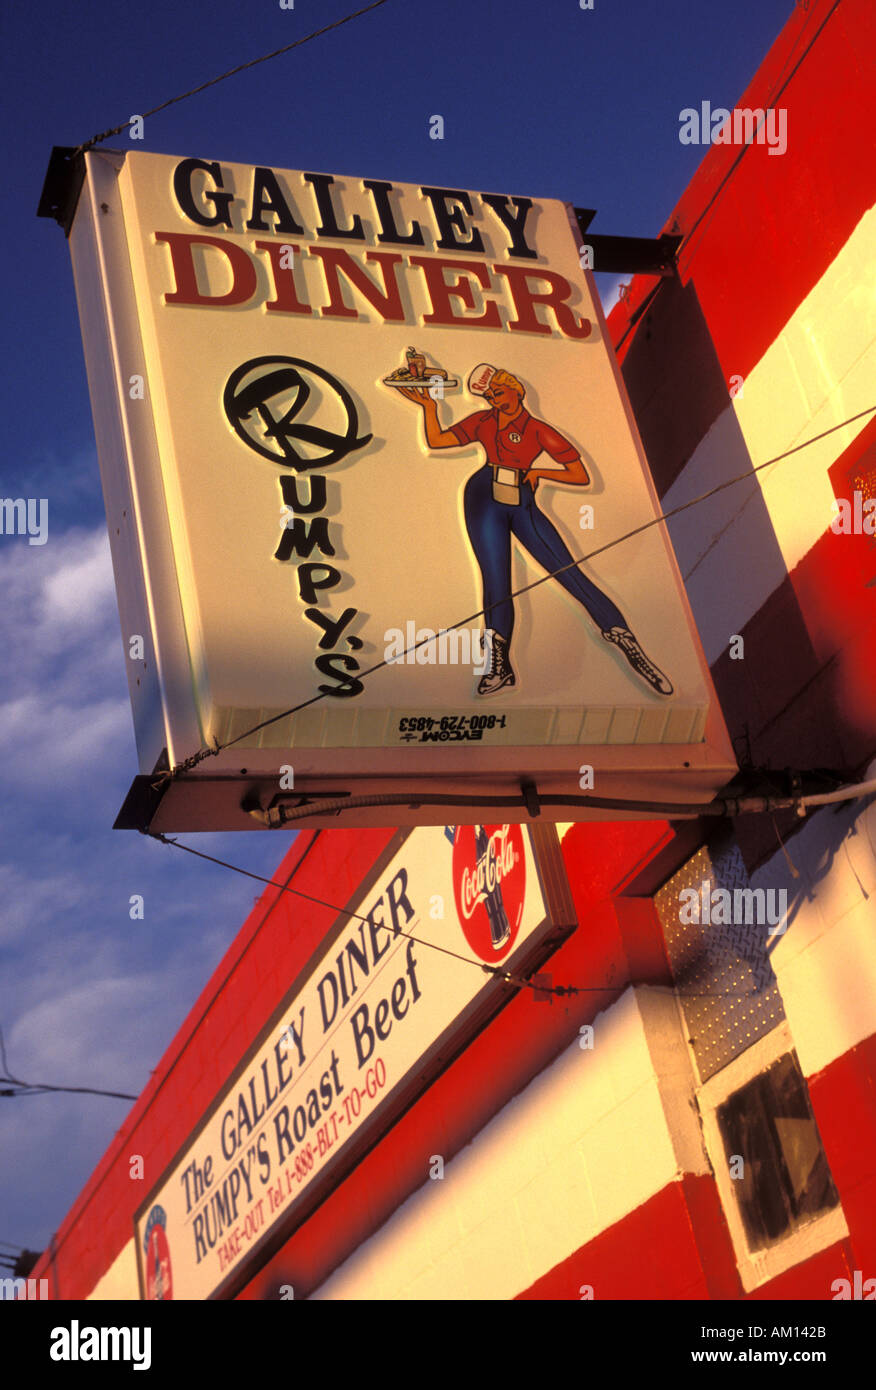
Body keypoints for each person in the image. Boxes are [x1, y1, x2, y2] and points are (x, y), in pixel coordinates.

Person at [396, 365, 673, 697]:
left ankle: (626, 642)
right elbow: (438, 440)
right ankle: (499, 663)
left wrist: (540, 471)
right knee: (495, 580)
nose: (495, 401)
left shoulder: (539, 430)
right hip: (483, 497)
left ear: (516, 389)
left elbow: (579, 474)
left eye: (498, 393)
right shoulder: (483, 422)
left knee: (569, 572)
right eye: (489, 396)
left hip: (522, 498)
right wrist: (429, 407)